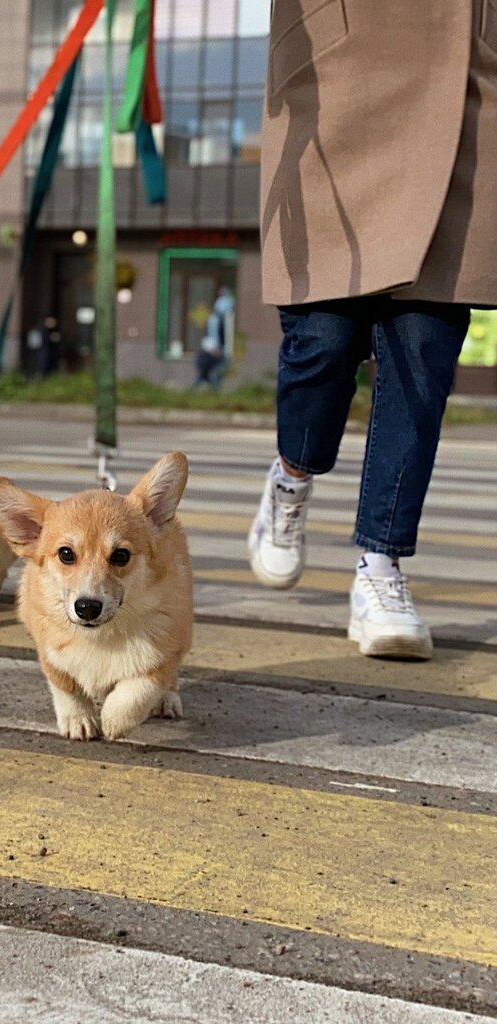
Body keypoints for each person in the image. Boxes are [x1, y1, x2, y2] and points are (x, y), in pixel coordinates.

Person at [248, 1, 496, 661]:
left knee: (422, 353)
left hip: (460, 84)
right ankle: (291, 477)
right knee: (323, 338)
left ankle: (380, 569)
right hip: (337, 83)